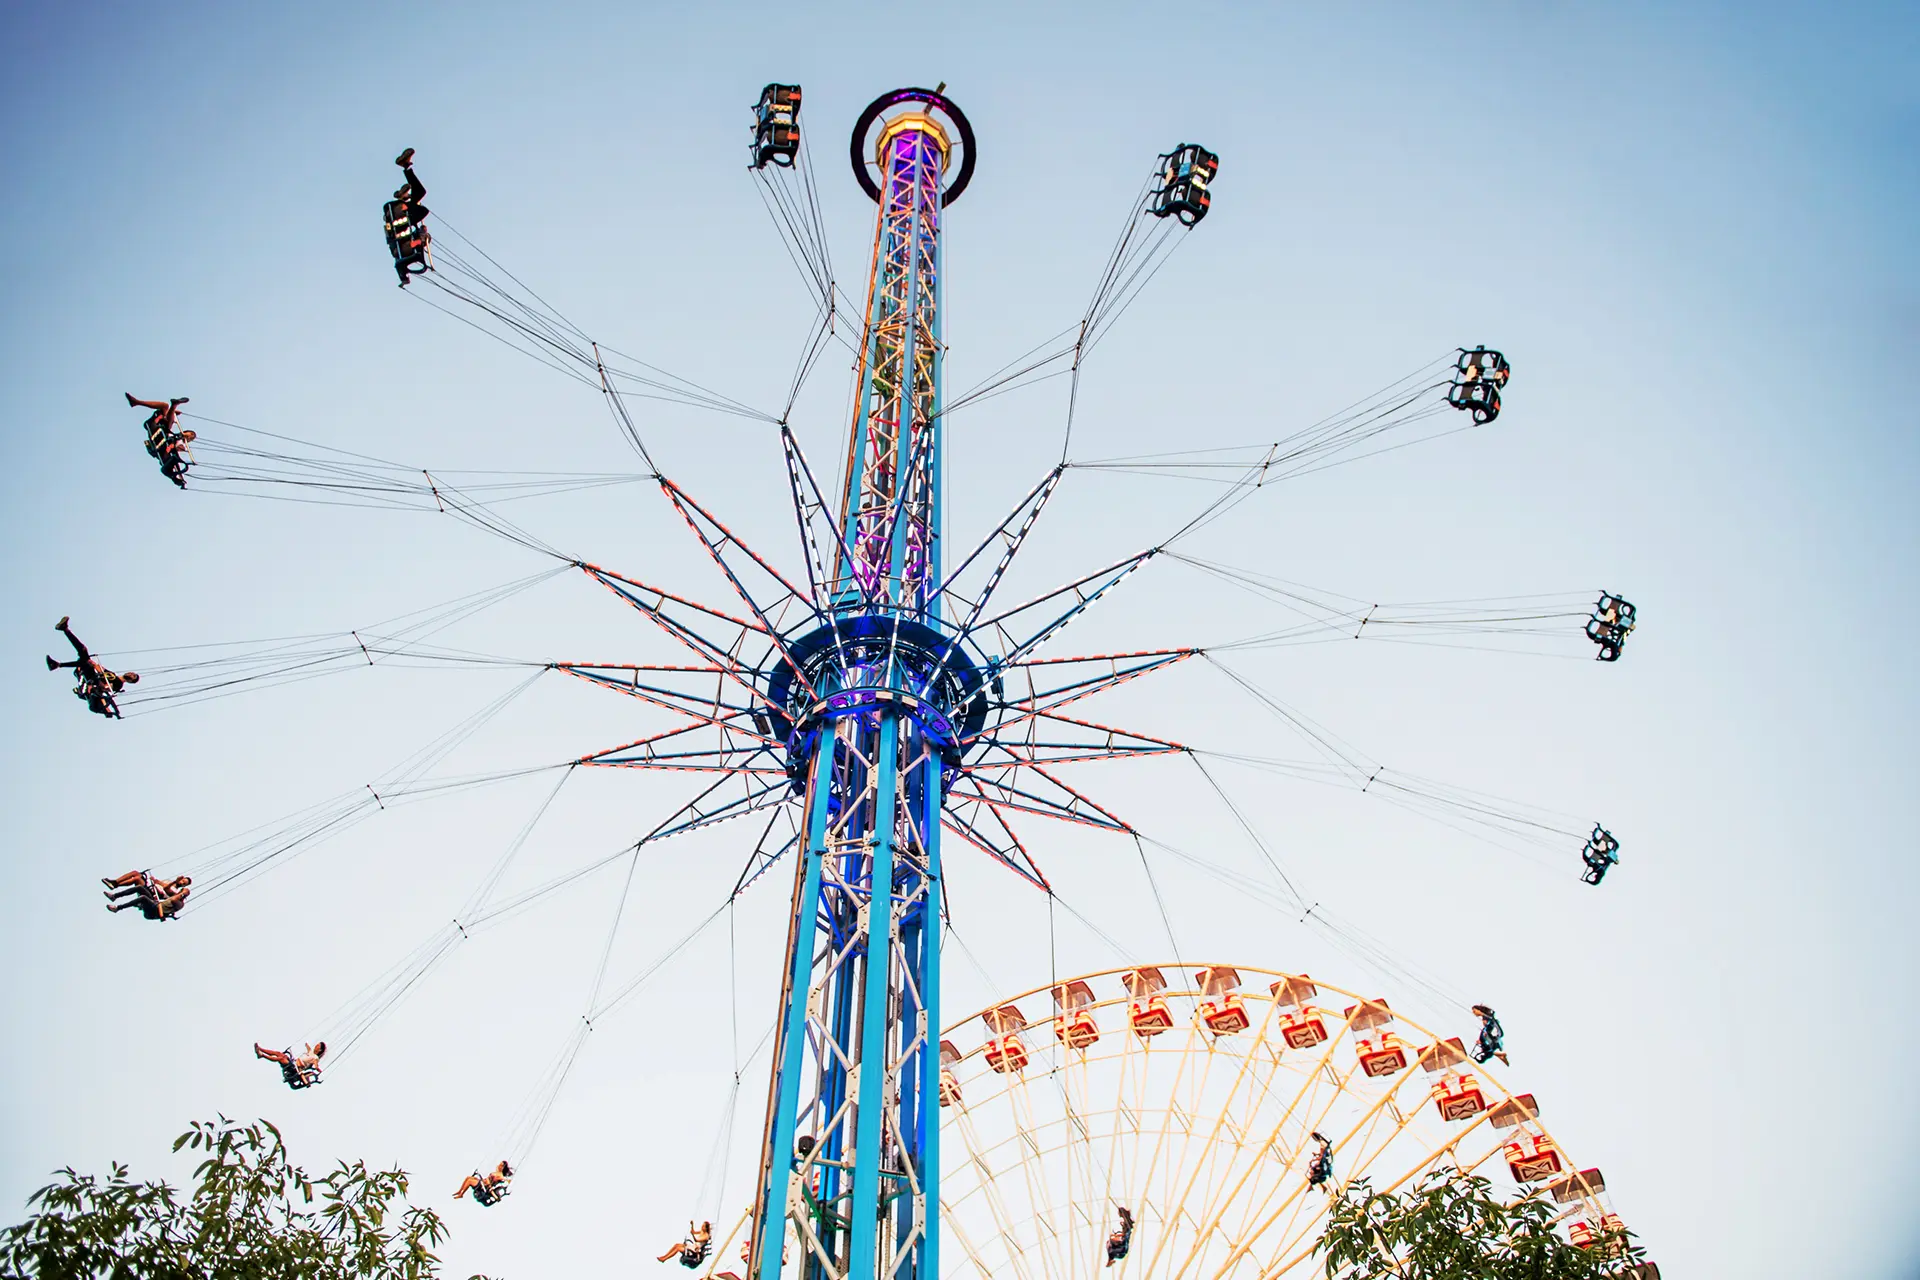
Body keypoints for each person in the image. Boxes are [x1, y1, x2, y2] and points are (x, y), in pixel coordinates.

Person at [47, 617, 138, 718]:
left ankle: (57, 664)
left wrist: (98, 687)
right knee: (83, 651)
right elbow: (100, 668)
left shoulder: (119, 684)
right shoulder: (112, 674)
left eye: (133, 677)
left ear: (130, 682)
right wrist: (93, 663)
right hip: (90, 672)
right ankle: (64, 630)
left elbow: (105, 688)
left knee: (85, 661)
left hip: (92, 680)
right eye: (132, 673)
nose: (131, 674)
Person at [386, 148, 431, 285]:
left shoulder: (403, 252)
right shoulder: (407, 251)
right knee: (421, 196)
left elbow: (399, 265)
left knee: (420, 194)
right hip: (405, 220)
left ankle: (404, 197)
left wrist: (404, 280)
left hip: (404, 222)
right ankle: (405, 169)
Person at [103, 871, 191, 920]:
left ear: (183, 886)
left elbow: (165, 889)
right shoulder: (169, 881)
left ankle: (116, 903)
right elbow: (158, 882)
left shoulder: (176, 893)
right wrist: (156, 881)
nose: (182, 882)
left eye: (184, 883)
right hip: (150, 889)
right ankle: (114, 884)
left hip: (152, 897)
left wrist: (174, 882)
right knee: (136, 874)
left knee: (139, 885)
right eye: (183, 880)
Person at [254, 1041, 326, 1089]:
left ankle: (262, 1055)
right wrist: (306, 1045)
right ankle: (260, 1049)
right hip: (293, 1063)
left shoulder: (315, 1058)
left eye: (318, 1046)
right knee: (278, 1053)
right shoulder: (311, 1053)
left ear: (319, 1050)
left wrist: (318, 1069)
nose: (316, 1046)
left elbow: (316, 1065)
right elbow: (309, 1049)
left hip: (295, 1068)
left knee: (281, 1058)